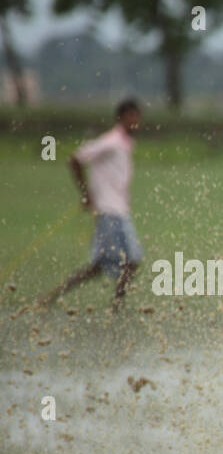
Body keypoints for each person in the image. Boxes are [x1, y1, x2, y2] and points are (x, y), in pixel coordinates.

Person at [37, 97, 144, 311]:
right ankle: (115, 307)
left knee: (109, 264)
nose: (136, 121)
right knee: (129, 259)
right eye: (131, 116)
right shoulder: (111, 141)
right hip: (109, 211)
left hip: (120, 210)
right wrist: (86, 194)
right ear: (121, 117)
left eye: (137, 116)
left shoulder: (125, 144)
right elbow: (76, 159)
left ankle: (51, 299)